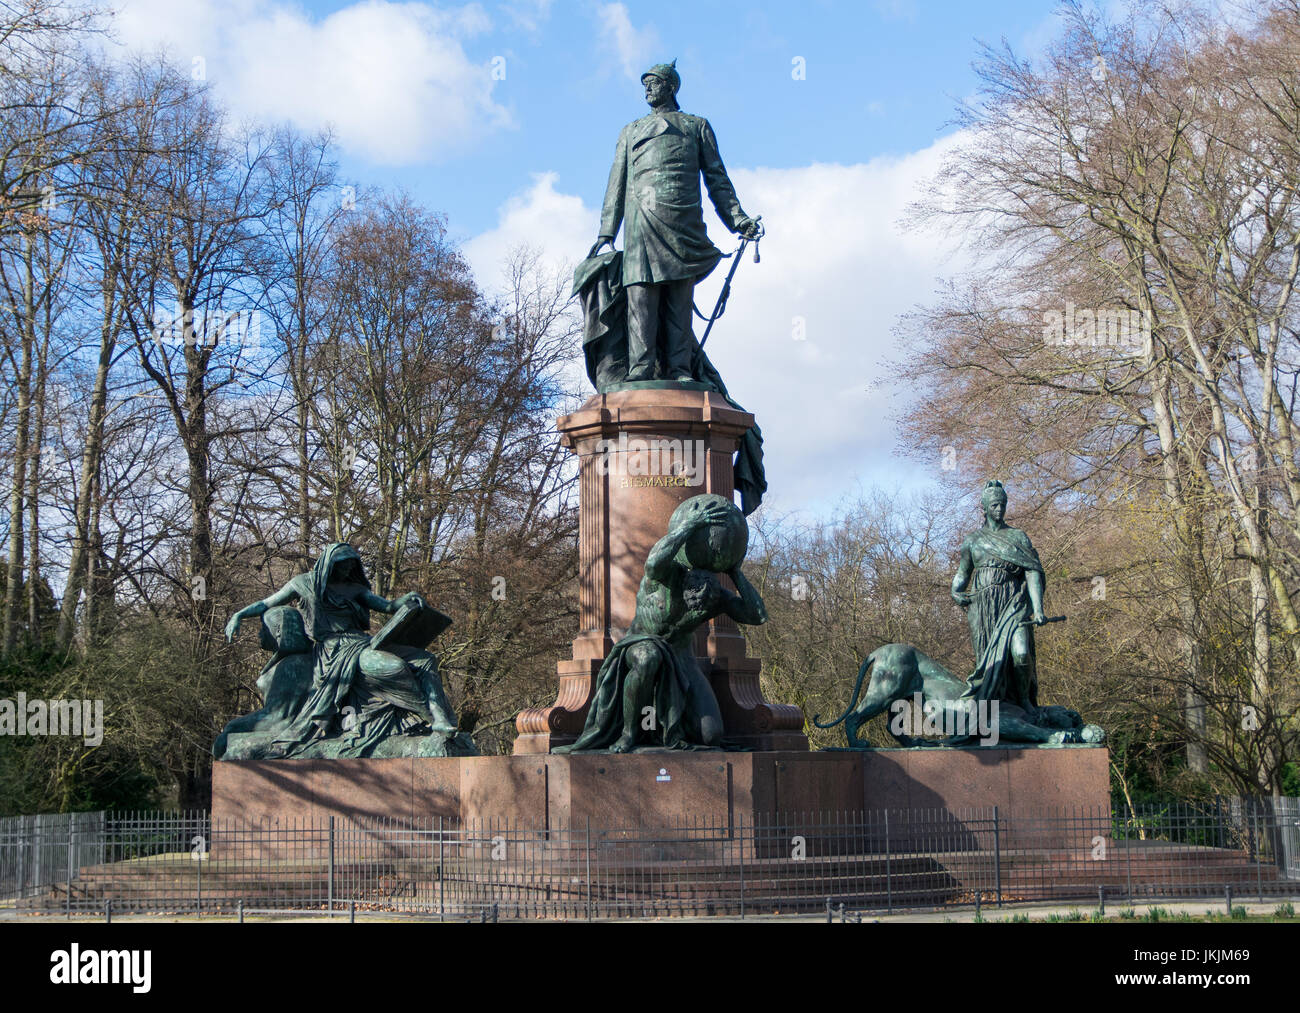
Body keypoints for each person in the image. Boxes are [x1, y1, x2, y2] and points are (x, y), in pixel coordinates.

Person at [590, 60, 762, 382]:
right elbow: (616, 184)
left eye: (653, 83)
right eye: (645, 85)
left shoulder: (696, 126)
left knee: (678, 304)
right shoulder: (631, 131)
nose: (647, 90)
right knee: (640, 297)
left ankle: (680, 369)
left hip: (682, 224)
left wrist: (739, 220)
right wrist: (606, 233)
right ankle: (641, 368)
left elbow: (717, 181)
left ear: (670, 86)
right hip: (641, 225)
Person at [557, 494, 767, 753]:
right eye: (693, 598)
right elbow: (654, 561)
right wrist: (689, 526)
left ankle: (669, 731)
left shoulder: (713, 596)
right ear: (684, 587)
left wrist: (735, 571)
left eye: (702, 604)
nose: (697, 605)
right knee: (648, 657)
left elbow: (757, 616)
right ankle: (628, 733)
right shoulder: (662, 578)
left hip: (680, 657)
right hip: (640, 643)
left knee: (711, 735)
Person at [223, 543, 459, 756]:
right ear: (329, 564)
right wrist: (239, 615)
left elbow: (387, 606)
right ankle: (424, 715)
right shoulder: (303, 583)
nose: (347, 571)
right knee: (393, 667)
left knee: (426, 659)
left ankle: (439, 720)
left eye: (350, 566)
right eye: (342, 566)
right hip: (334, 651)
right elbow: (267, 603)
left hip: (361, 642)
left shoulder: (355, 589)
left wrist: (406, 600)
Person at [950, 480, 1048, 710]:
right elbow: (963, 573)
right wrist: (955, 591)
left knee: (1021, 653)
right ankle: (994, 709)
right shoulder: (972, 540)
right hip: (983, 608)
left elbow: (1033, 572)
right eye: (994, 505)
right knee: (990, 663)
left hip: (1014, 605)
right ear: (984, 508)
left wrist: (1038, 608)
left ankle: (1024, 701)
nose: (999, 510)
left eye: (1002, 505)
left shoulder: (1018, 537)